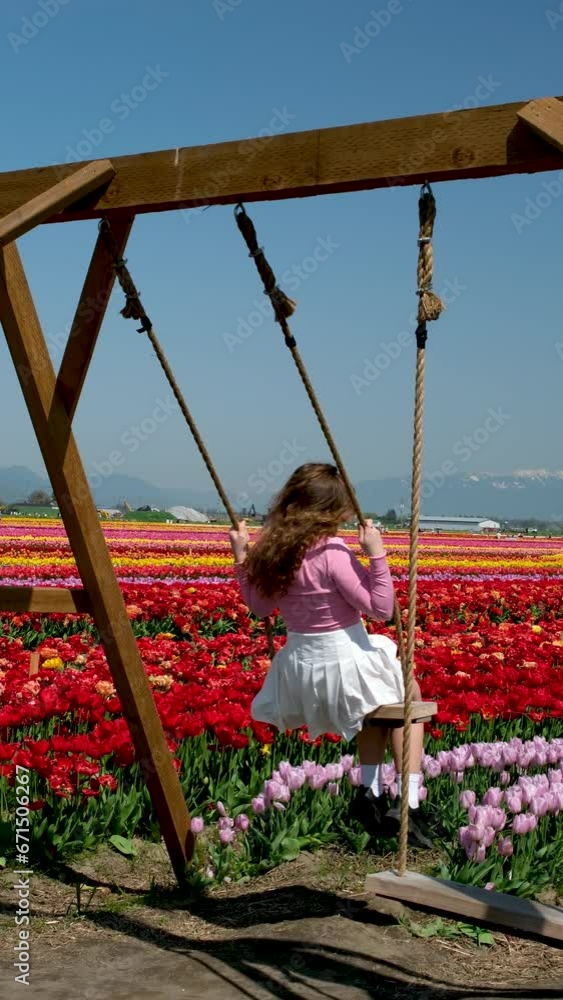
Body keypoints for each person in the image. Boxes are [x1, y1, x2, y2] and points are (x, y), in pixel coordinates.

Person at [229, 462, 431, 848]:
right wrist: (377, 555)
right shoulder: (333, 552)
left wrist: (241, 558)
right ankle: (411, 802)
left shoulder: (275, 553)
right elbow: (380, 608)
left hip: (300, 672)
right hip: (344, 664)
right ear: (334, 509)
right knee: (409, 699)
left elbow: (257, 607)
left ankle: (370, 793)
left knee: (375, 709)